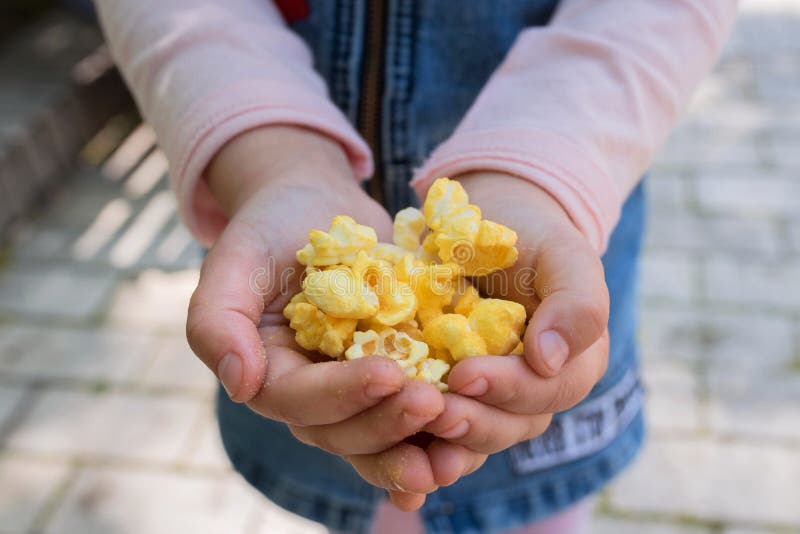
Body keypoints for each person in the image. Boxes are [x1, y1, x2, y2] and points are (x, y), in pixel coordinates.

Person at [93, 1, 738, 532]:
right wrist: (269, 160)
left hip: (566, 225)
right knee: (360, 491)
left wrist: (544, 172)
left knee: (537, 513)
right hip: (281, 240)